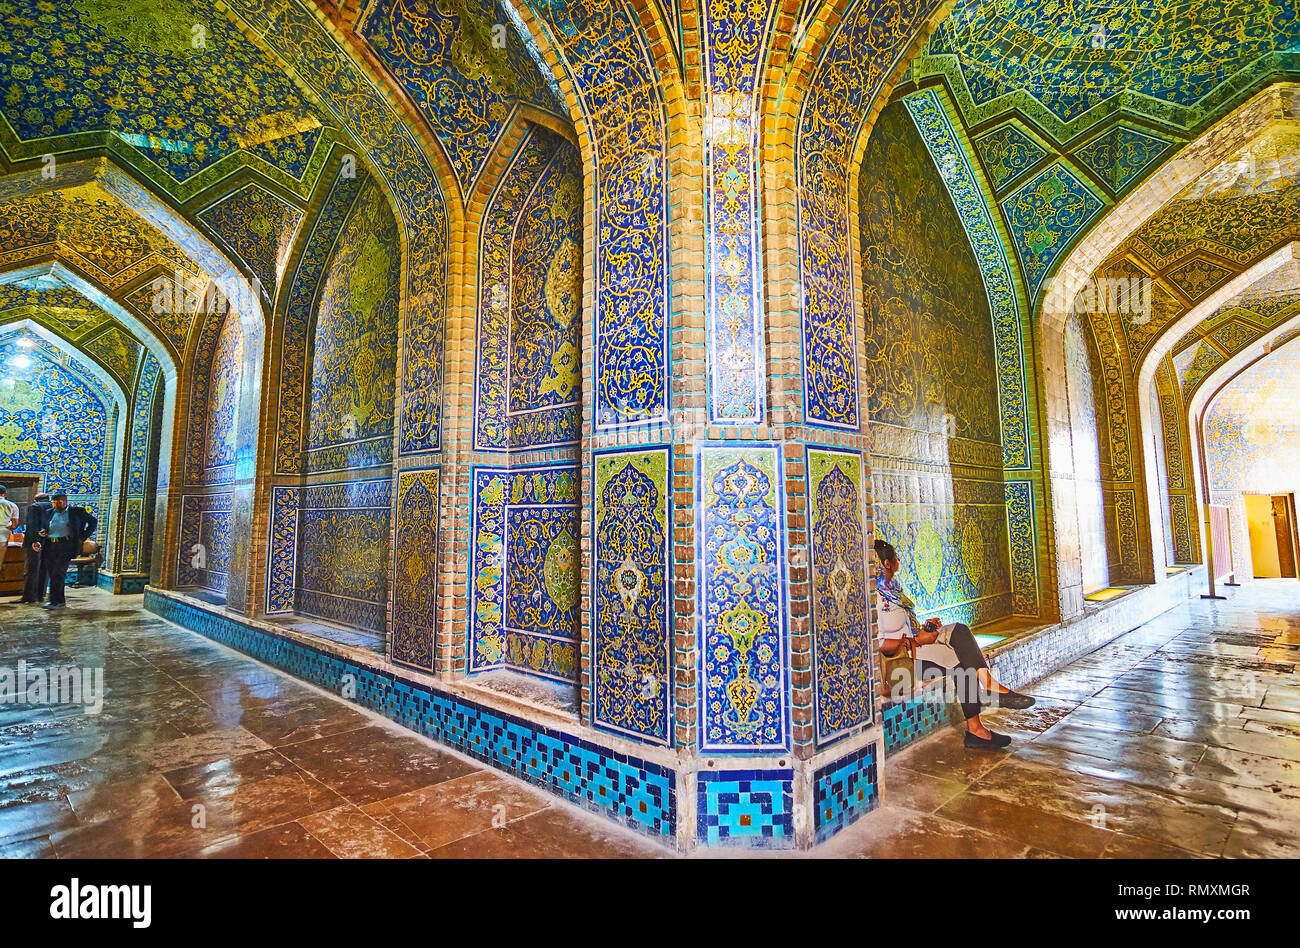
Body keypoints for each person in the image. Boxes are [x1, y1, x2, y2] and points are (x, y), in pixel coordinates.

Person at [873, 538, 1035, 749]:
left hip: (913, 651)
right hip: (896, 666)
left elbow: (905, 629)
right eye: (895, 557)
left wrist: (924, 629)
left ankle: (984, 702)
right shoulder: (873, 597)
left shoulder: (893, 590)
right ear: (887, 563)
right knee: (962, 663)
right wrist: (915, 640)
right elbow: (878, 644)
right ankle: (978, 724)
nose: (898, 560)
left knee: (960, 634)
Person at [30, 491, 97, 610]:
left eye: (58, 503)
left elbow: (93, 521)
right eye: (55, 503)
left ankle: (57, 601)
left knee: (58, 573)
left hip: (66, 545)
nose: (56, 505)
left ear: (64, 502)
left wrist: (83, 537)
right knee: (52, 573)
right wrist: (42, 533)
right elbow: (44, 526)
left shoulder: (76, 512)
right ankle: (56, 600)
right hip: (50, 545)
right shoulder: (49, 512)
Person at [19, 492, 52, 603]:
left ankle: (29, 596)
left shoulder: (35, 507)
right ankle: (40, 595)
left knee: (32, 569)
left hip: (36, 543)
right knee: (44, 569)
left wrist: (34, 541)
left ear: (35, 500)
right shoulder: (53, 506)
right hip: (49, 542)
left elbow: (32, 525)